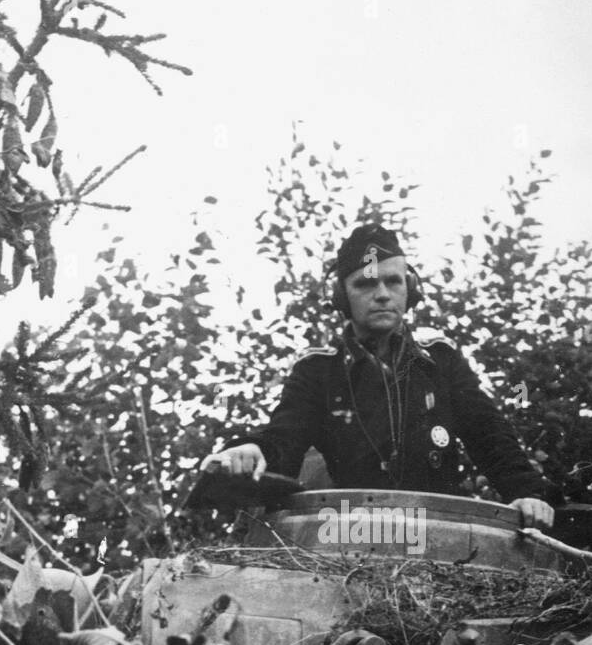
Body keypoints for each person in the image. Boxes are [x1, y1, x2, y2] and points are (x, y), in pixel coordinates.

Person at [200, 224, 554, 527]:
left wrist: (526, 494)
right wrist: (250, 449)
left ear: (410, 289)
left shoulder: (440, 361)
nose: (382, 295)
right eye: (366, 284)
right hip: (349, 534)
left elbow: (489, 433)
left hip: (438, 533)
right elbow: (285, 435)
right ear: (342, 296)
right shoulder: (319, 370)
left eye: (393, 282)